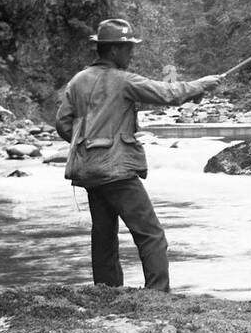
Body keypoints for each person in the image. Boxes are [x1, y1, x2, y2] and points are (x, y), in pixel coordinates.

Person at [55, 18, 221, 291]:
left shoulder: (77, 81)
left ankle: (106, 292)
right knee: (151, 235)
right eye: (128, 48)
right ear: (114, 50)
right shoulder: (122, 81)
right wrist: (201, 84)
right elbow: (168, 93)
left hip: (88, 171)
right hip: (116, 170)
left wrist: (87, 144)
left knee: (104, 235)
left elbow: (63, 124)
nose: (132, 53)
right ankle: (157, 295)